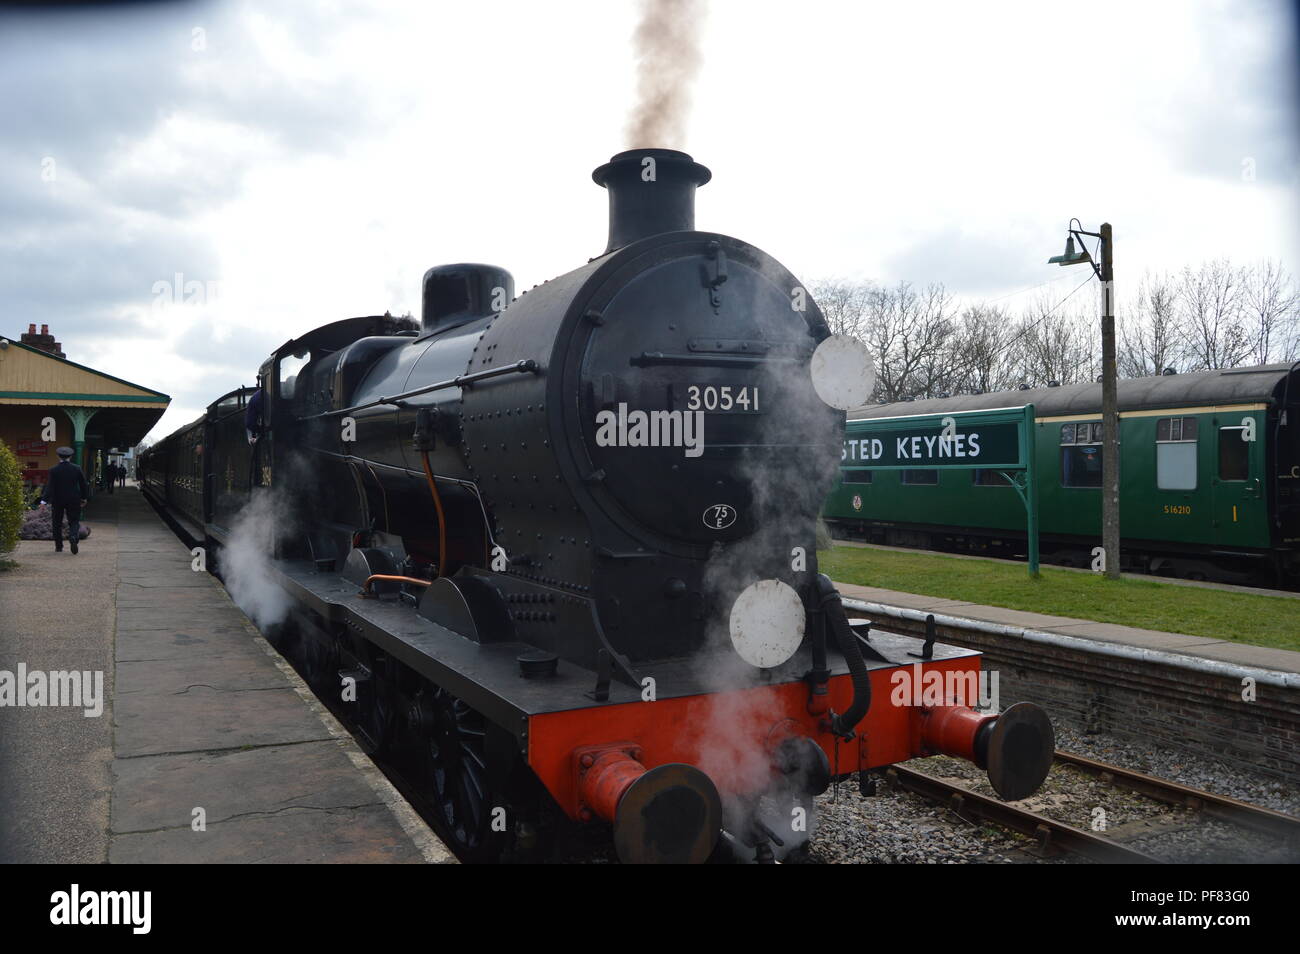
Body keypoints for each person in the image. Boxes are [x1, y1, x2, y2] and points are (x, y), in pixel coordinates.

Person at [40, 446, 89, 554]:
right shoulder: (77, 468)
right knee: (74, 521)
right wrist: (84, 498)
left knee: (57, 522)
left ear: (58, 456)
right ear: (70, 456)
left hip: (57, 499)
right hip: (73, 499)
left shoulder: (53, 470)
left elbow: (50, 486)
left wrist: (43, 501)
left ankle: (59, 546)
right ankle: (73, 536)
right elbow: (83, 484)